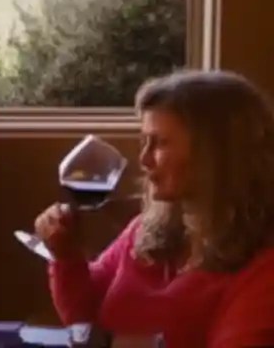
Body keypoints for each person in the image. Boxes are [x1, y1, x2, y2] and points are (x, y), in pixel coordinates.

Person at [35, 70, 274, 347]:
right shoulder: (146, 229)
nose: (144, 159)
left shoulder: (263, 268)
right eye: (143, 141)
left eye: (159, 143)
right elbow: (83, 315)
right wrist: (66, 257)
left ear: (216, 154)